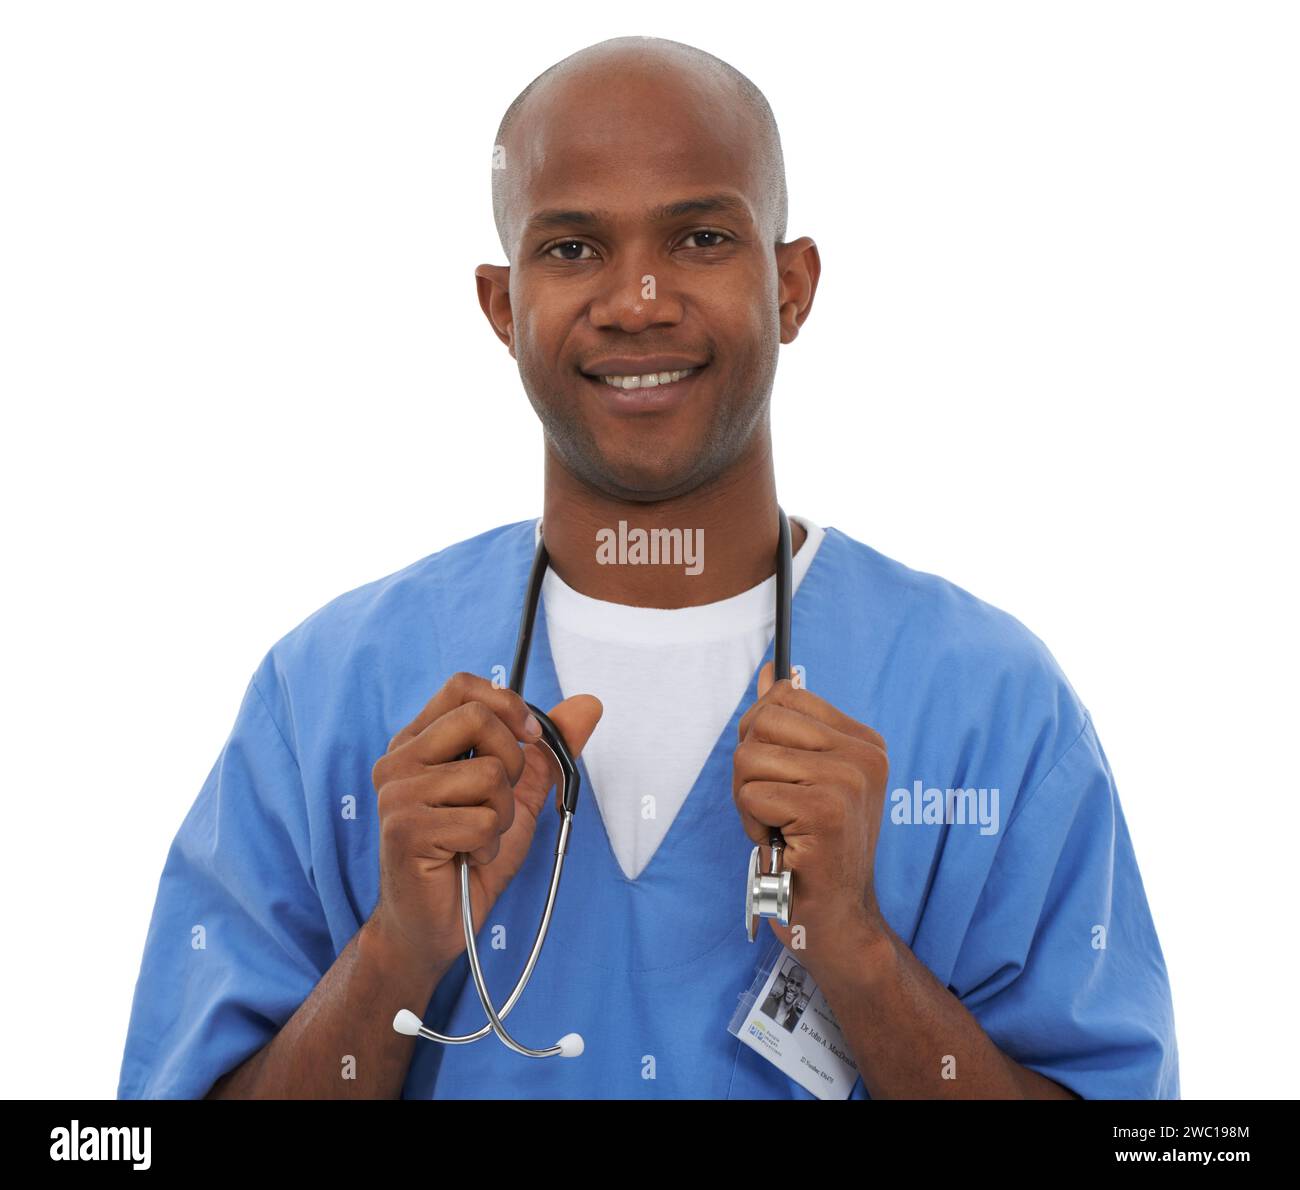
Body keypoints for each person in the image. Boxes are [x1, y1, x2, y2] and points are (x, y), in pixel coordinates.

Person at [117, 35, 1179, 1100]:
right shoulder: (329, 692)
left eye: (702, 236)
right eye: (572, 248)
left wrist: (856, 950)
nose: (636, 299)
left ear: (791, 285)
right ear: (501, 305)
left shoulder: (992, 703)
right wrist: (395, 948)